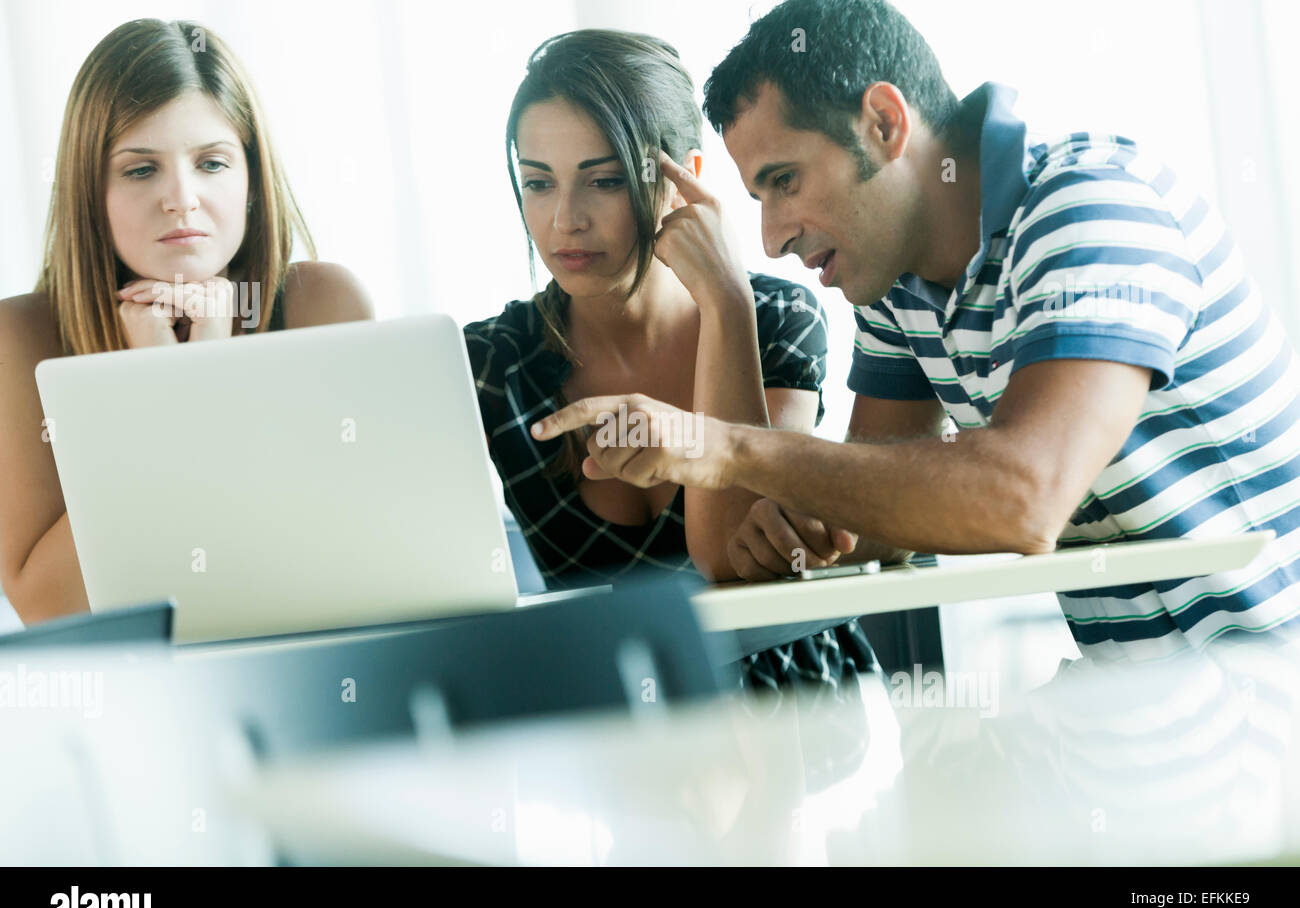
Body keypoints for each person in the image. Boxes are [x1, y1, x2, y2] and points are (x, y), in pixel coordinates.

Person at [532, 0, 1300, 663]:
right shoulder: (900, 291)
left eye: (784, 181)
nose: (768, 239)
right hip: (1149, 708)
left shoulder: (1088, 209)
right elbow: (869, 524)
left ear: (884, 123)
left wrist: (724, 447)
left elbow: (1022, 500)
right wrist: (802, 525)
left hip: (1268, 688)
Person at [465, 29, 887, 715]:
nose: (564, 220)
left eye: (602, 181)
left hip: (800, 709)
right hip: (617, 723)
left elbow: (732, 558)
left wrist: (725, 303)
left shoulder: (776, 316)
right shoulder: (490, 364)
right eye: (538, 183)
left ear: (679, 178)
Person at [0, 19, 373, 624]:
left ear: (251, 179)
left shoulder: (320, 305)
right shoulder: (21, 339)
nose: (182, 197)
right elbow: (52, 606)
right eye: (141, 169)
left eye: (212, 163)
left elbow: (353, 565)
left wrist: (213, 368)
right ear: (89, 190)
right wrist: (161, 394)